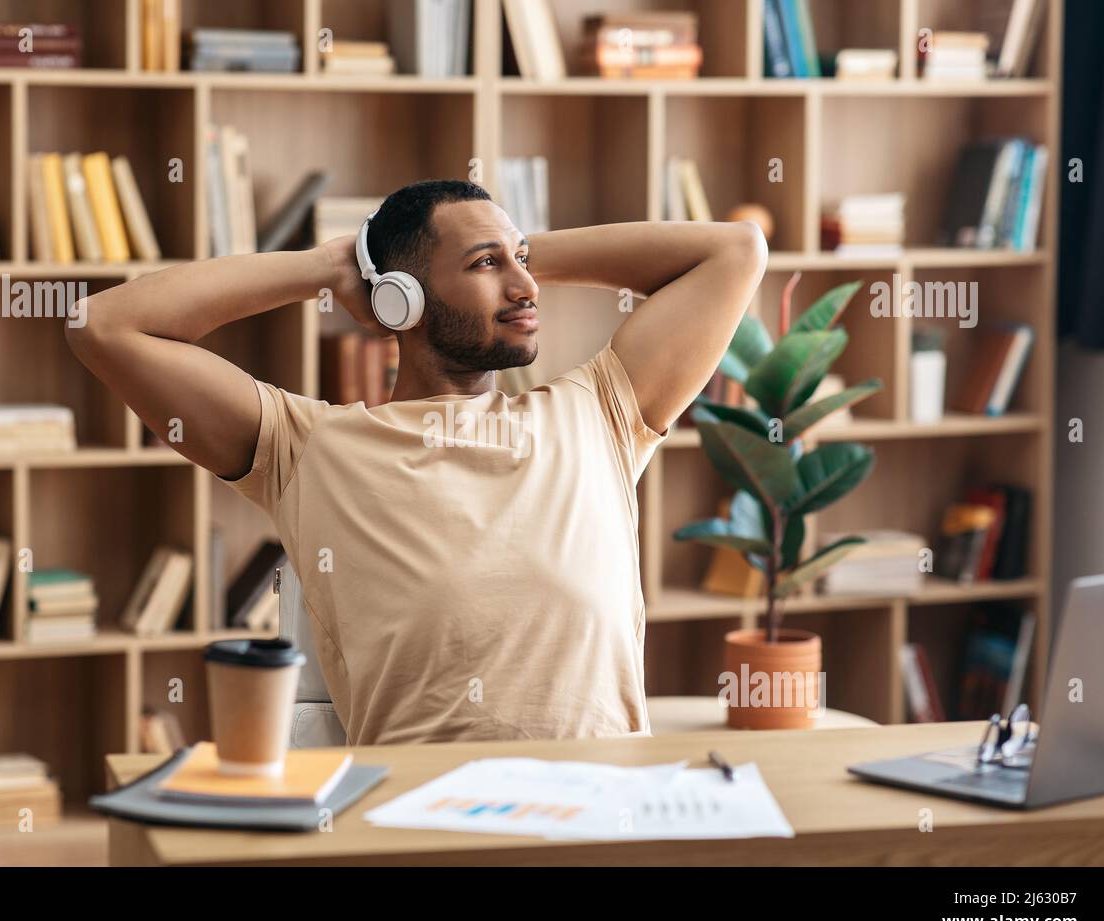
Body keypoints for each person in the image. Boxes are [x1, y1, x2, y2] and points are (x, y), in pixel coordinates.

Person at [67, 179, 767, 746]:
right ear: (400, 299)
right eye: (487, 266)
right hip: (422, 828)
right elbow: (101, 326)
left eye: (521, 261)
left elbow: (736, 252)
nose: (527, 287)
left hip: (602, 823)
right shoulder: (305, 447)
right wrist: (329, 266)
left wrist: (513, 253)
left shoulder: (599, 413)